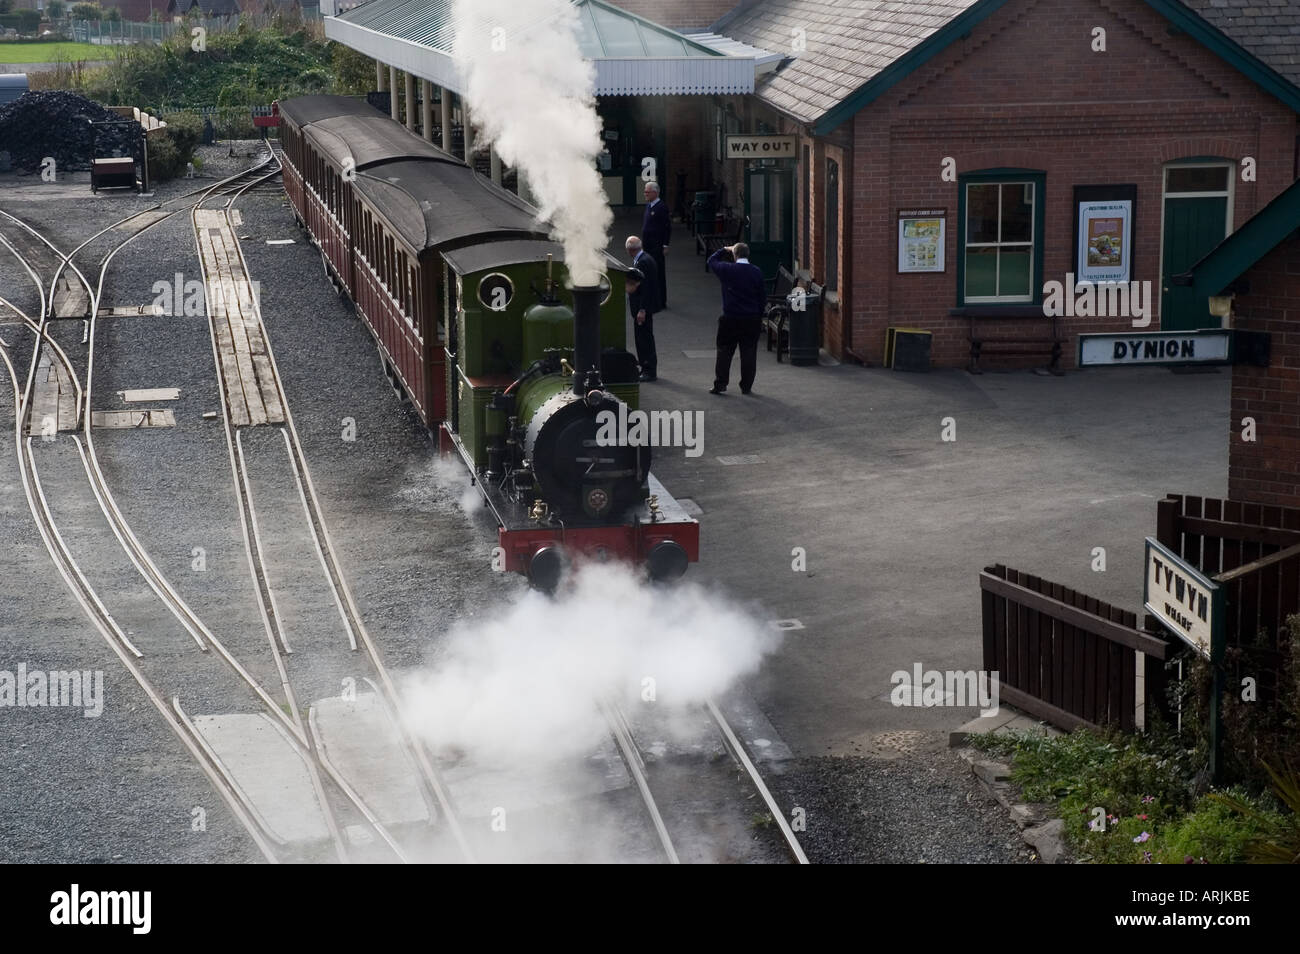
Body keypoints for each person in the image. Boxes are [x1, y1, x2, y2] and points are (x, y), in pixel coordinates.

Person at [706, 242, 766, 395]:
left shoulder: (727, 269)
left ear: (735, 254)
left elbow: (711, 261)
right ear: (748, 254)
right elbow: (761, 297)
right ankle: (746, 386)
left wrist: (723, 249)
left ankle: (720, 383)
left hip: (730, 318)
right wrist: (758, 314)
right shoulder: (756, 272)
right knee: (749, 353)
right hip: (751, 318)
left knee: (724, 351)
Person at [624, 236, 660, 381]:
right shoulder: (645, 259)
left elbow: (646, 289)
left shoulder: (643, 262)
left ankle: (648, 370)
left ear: (630, 250)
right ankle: (646, 368)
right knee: (643, 337)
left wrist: (642, 310)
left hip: (642, 308)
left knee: (644, 339)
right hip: (642, 307)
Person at [641, 180, 670, 309]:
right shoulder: (649, 206)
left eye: (647, 192)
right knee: (649, 272)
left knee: (658, 274)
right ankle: (653, 299)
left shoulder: (661, 207)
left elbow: (667, 227)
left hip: (657, 246)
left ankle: (661, 301)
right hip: (647, 246)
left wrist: (665, 245)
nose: (645, 194)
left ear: (655, 192)